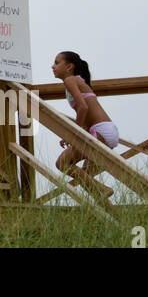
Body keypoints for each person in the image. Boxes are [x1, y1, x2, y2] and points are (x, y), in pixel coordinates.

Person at [53, 51, 118, 200]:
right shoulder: (78, 80)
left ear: (69, 67)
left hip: (100, 130)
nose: (53, 66)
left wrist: (74, 134)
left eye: (57, 63)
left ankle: (104, 189)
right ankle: (104, 202)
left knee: (62, 163)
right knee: (85, 178)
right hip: (107, 130)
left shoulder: (70, 80)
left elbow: (83, 107)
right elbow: (86, 111)